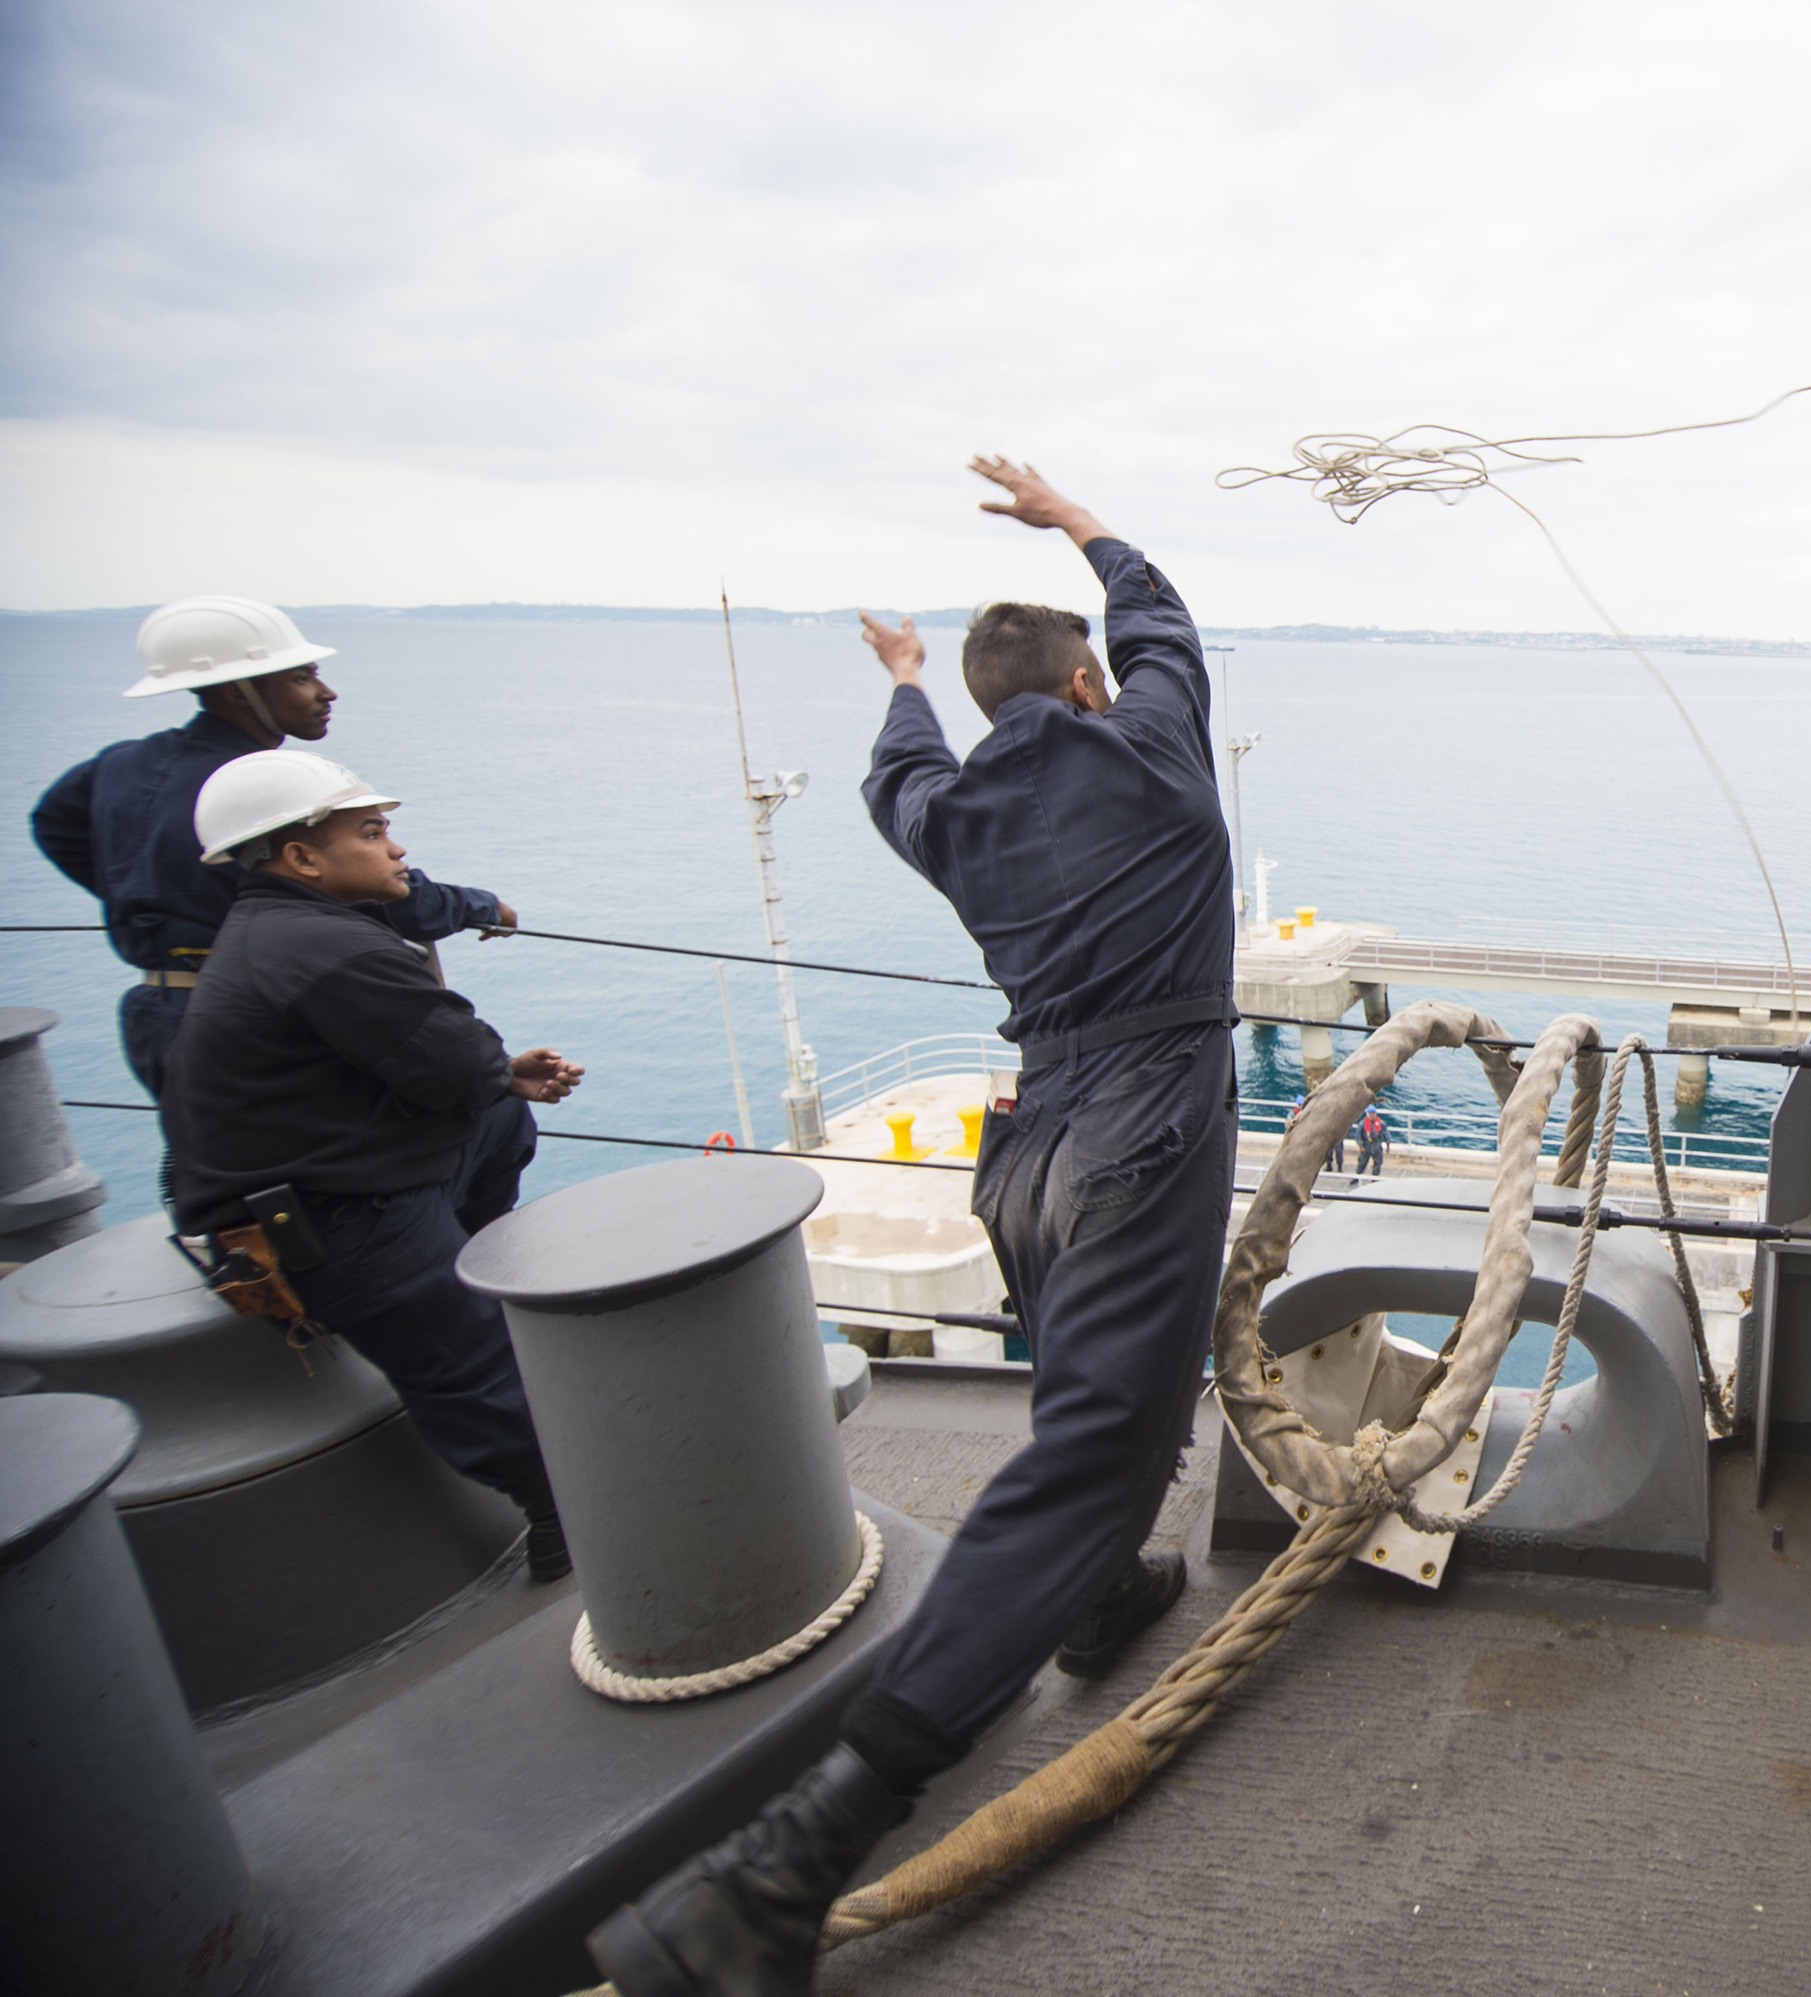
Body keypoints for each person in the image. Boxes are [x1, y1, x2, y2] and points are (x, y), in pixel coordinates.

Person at [587, 457, 1237, 1996]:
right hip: (1147, 1122)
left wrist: (900, 678)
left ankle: (1098, 1597)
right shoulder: (1150, 750)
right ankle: (788, 1861)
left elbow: (902, 771)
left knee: (1074, 1401)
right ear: (1088, 686)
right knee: (1096, 1454)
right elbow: (1165, 620)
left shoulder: (944, 816)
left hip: (1025, 1153)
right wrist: (1076, 519)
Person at [163, 749, 583, 1581]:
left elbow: (469, 1078)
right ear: (302, 858)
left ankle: (462, 1266)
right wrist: (489, 1070)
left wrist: (502, 1077)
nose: (396, 849)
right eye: (372, 831)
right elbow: (458, 1061)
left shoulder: (281, 928)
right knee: (480, 1374)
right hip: (325, 1224)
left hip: (331, 1180)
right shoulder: (328, 947)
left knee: (501, 1116)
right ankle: (565, 1520)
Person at [32, 596, 518, 1098]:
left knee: (216, 1162)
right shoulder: (258, 788)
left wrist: (140, 890)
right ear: (239, 692)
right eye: (302, 678)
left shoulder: (121, 762)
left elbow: (53, 825)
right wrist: (481, 907)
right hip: (255, 1016)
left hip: (157, 1007)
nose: (326, 692)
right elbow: (381, 893)